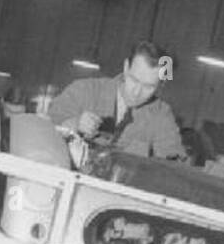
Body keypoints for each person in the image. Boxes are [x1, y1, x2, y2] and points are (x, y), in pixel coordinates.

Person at [47, 39, 184, 161]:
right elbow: (44, 128)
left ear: (161, 84)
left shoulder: (162, 117)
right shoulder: (84, 90)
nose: (136, 92)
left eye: (148, 86)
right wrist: (74, 123)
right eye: (134, 80)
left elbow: (173, 164)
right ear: (126, 67)